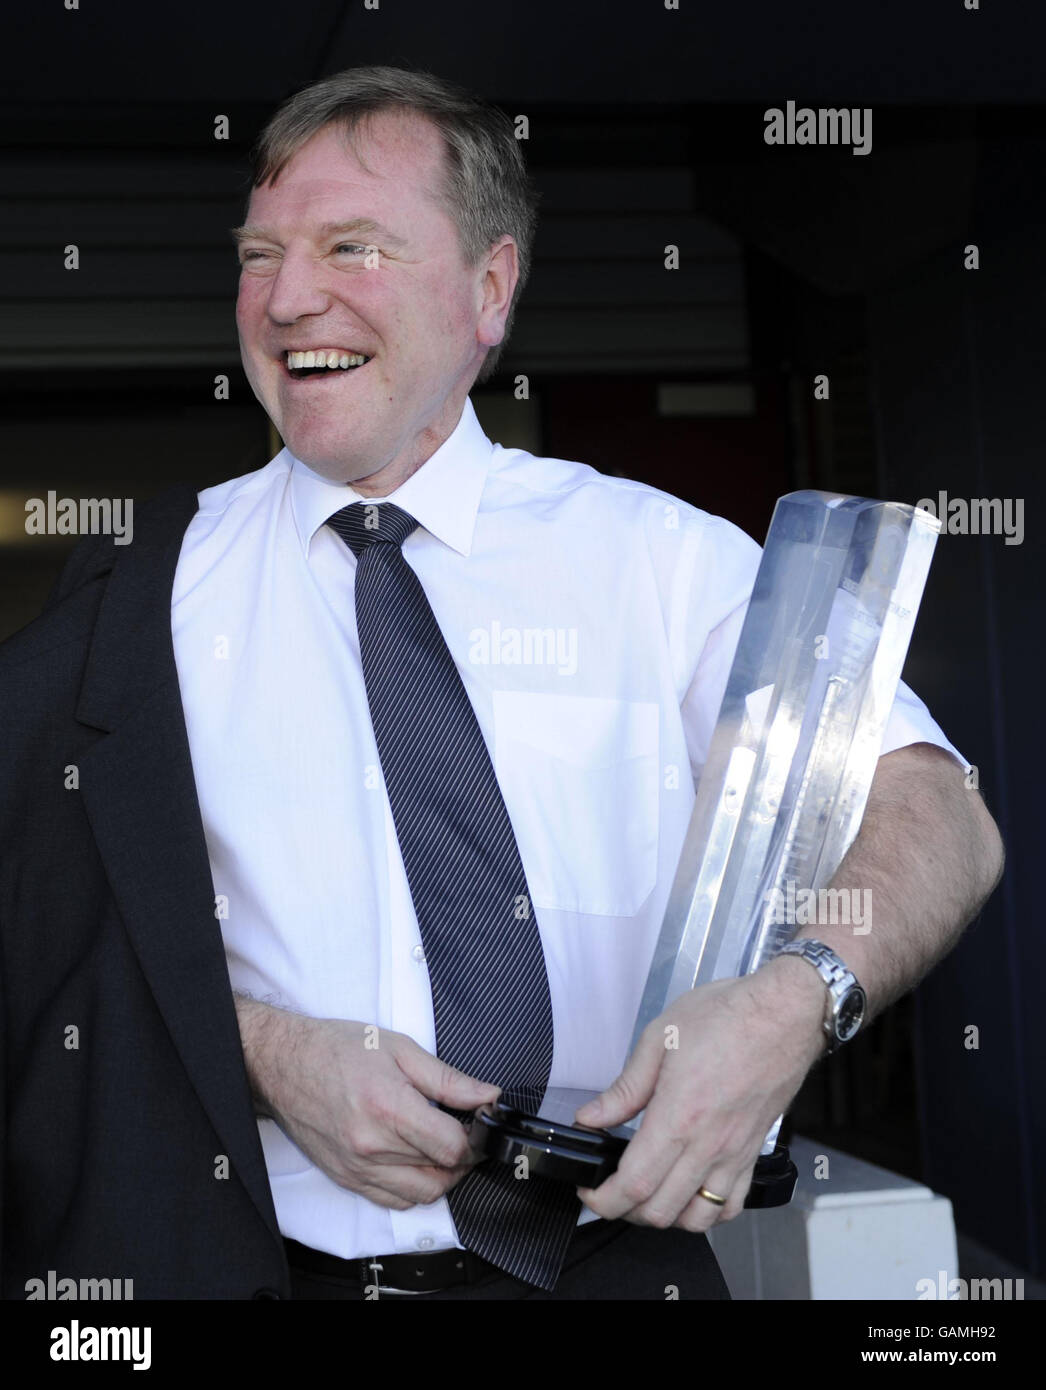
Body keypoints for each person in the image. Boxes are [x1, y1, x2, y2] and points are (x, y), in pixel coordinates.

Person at [0, 65, 1003, 1302]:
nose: (287, 297)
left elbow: (937, 815)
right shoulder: (137, 595)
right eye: (260, 254)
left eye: (350, 247)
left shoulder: (661, 560)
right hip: (258, 1272)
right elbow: (49, 930)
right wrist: (258, 1053)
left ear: (489, 288)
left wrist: (796, 1002)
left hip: (616, 1270)